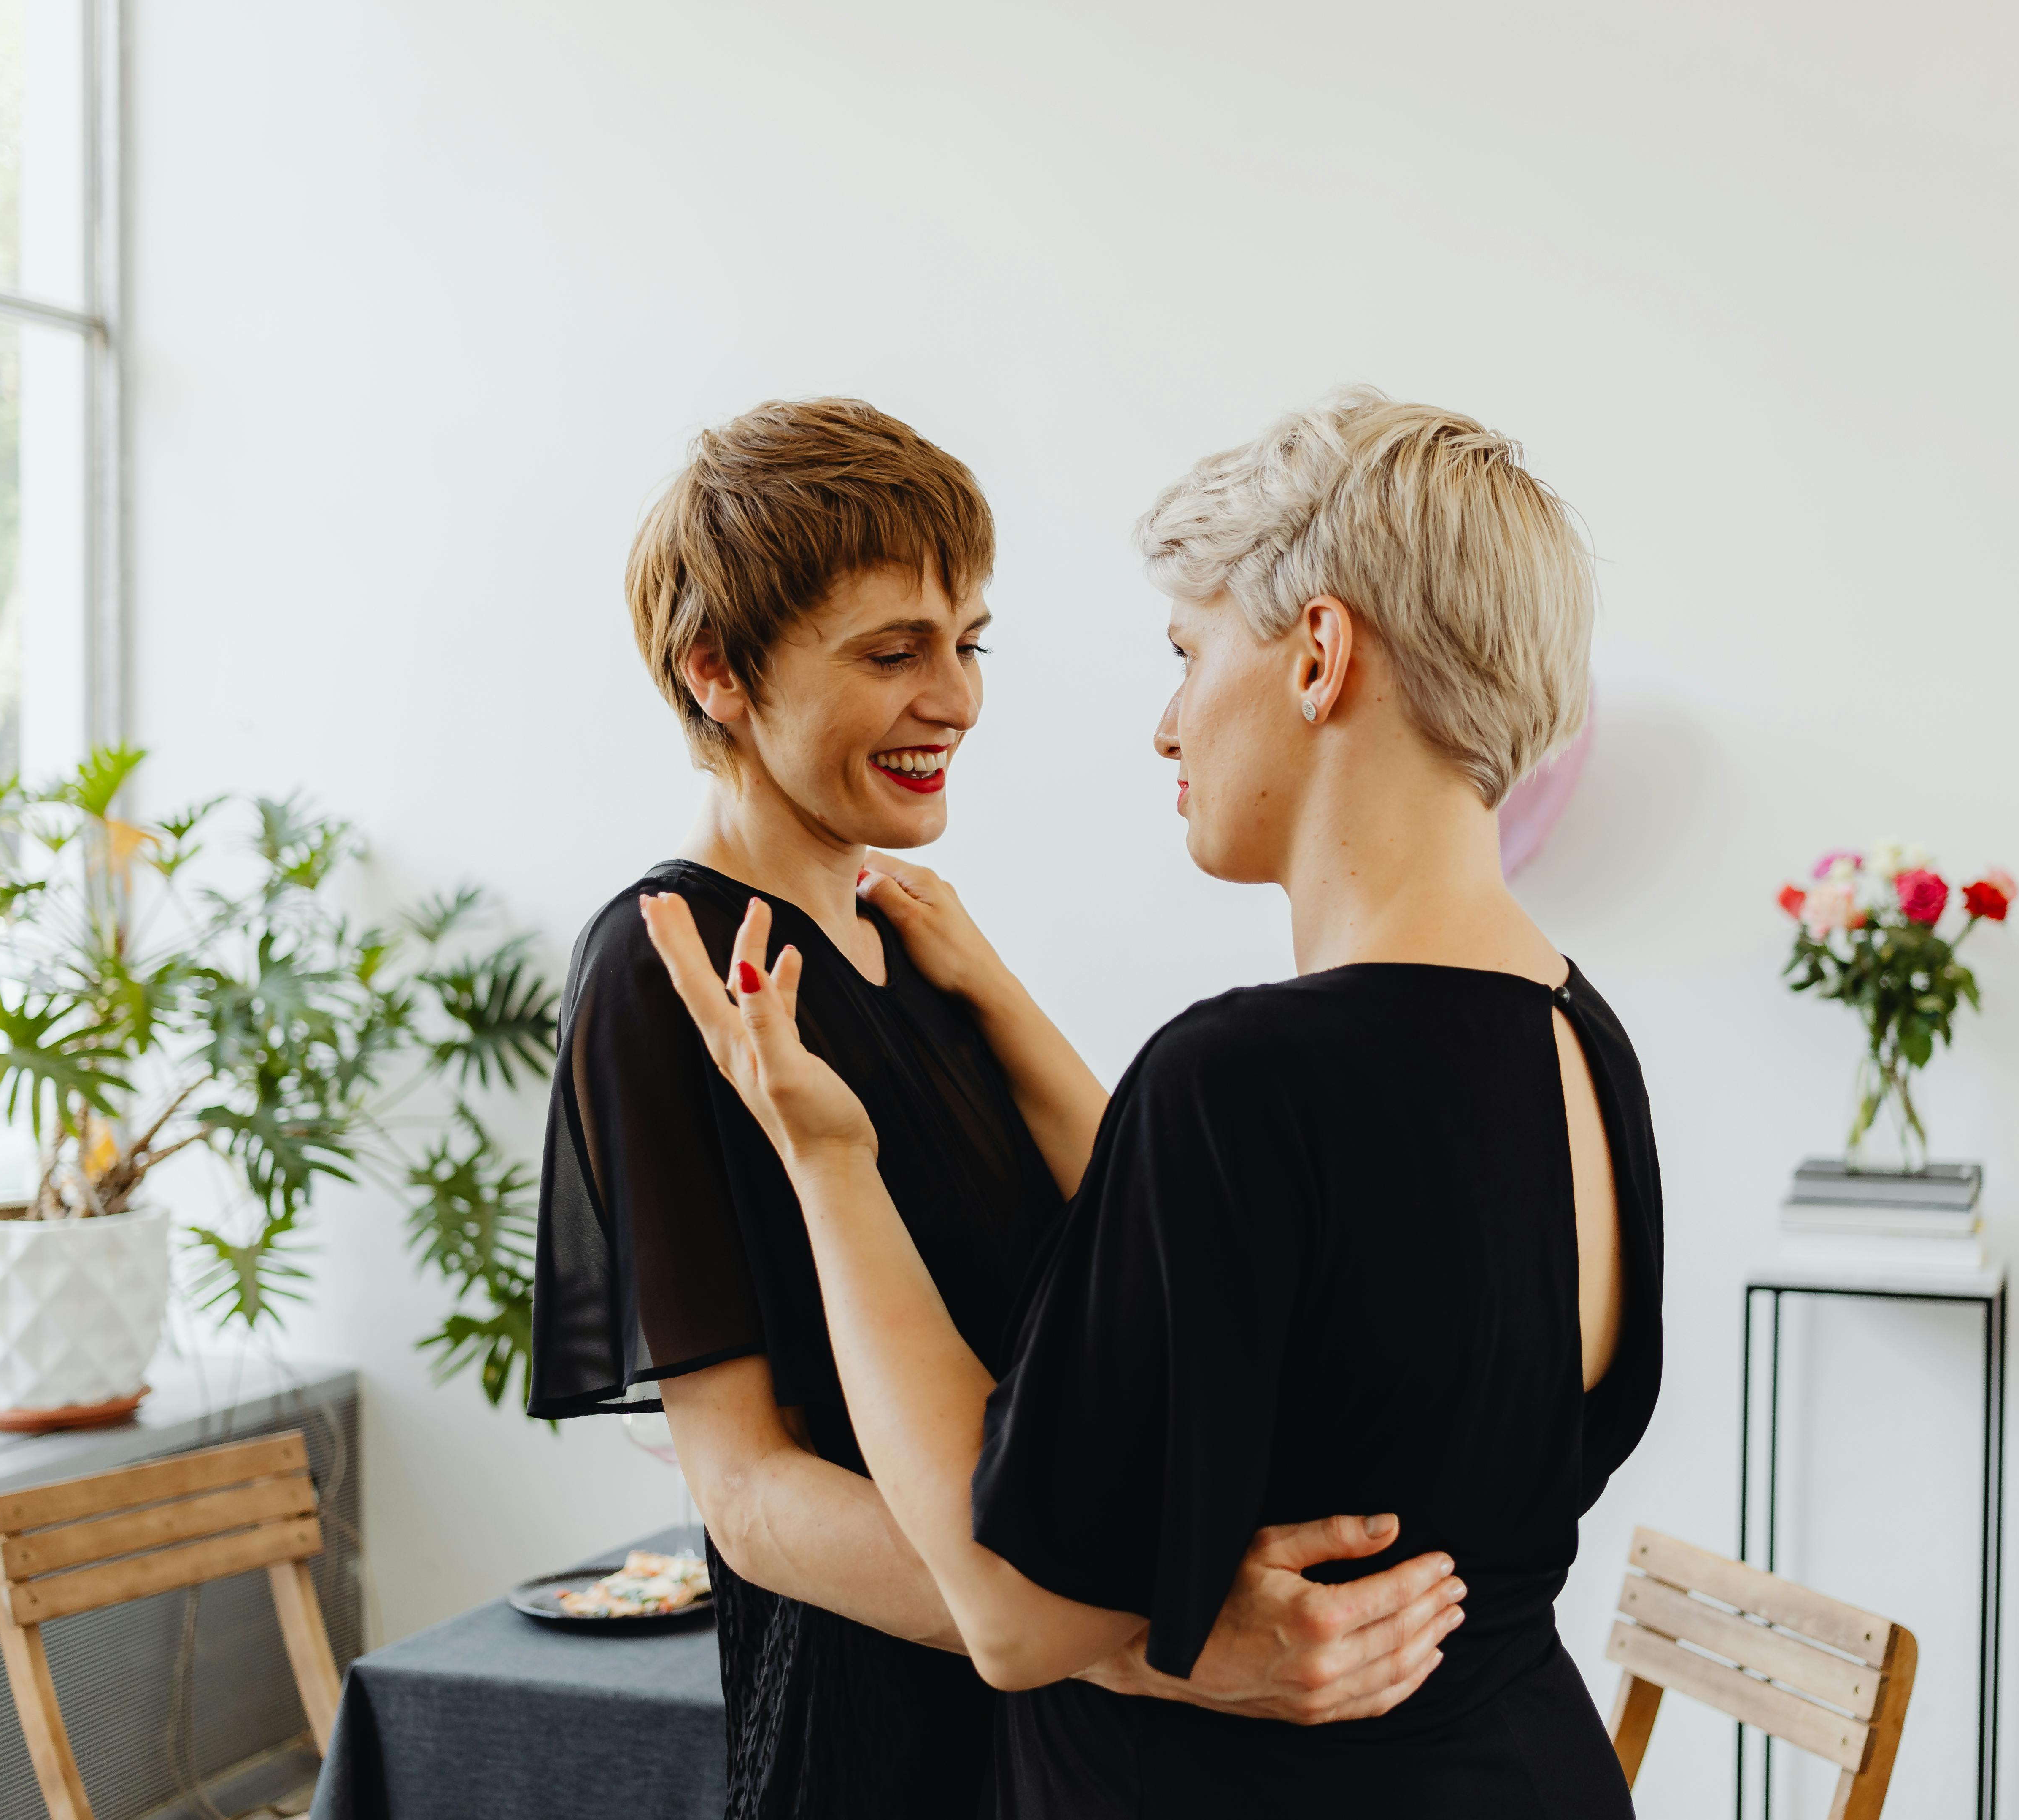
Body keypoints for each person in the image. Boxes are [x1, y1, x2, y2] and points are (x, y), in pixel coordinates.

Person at [638, 388, 1665, 1816]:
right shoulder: (1584, 1044)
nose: (1171, 724)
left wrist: (832, 1159)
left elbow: (1010, 1615)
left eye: (1188, 654)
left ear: (1319, 656)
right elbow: (1226, 1260)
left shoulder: (1244, 1076)